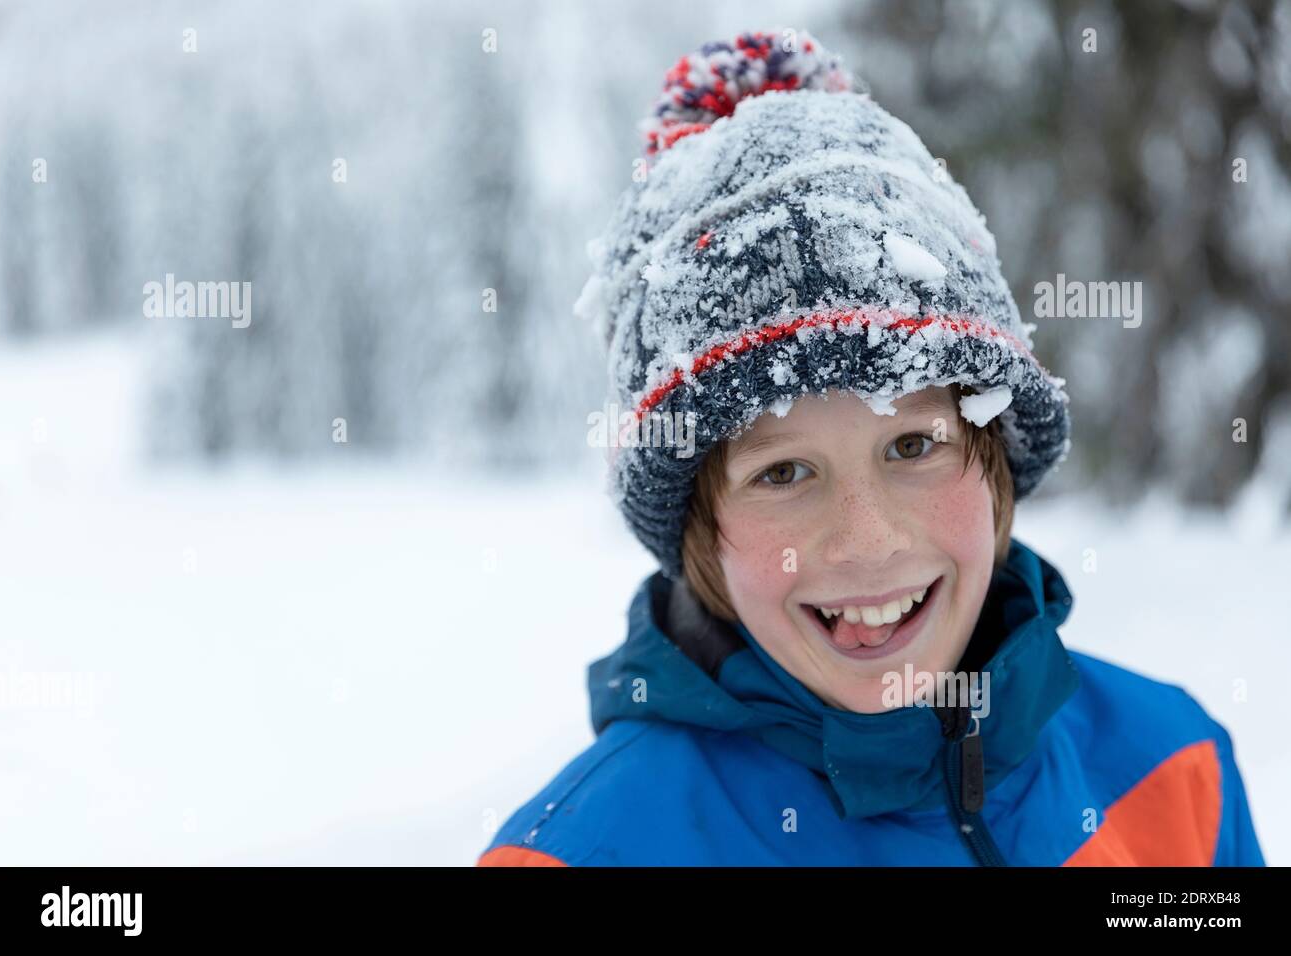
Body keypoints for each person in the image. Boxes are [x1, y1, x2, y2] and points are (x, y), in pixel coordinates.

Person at [477, 29, 1265, 866]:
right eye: (782, 471)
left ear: (995, 459)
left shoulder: (1175, 772)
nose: (869, 540)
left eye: (914, 445)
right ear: (700, 531)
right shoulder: (583, 852)